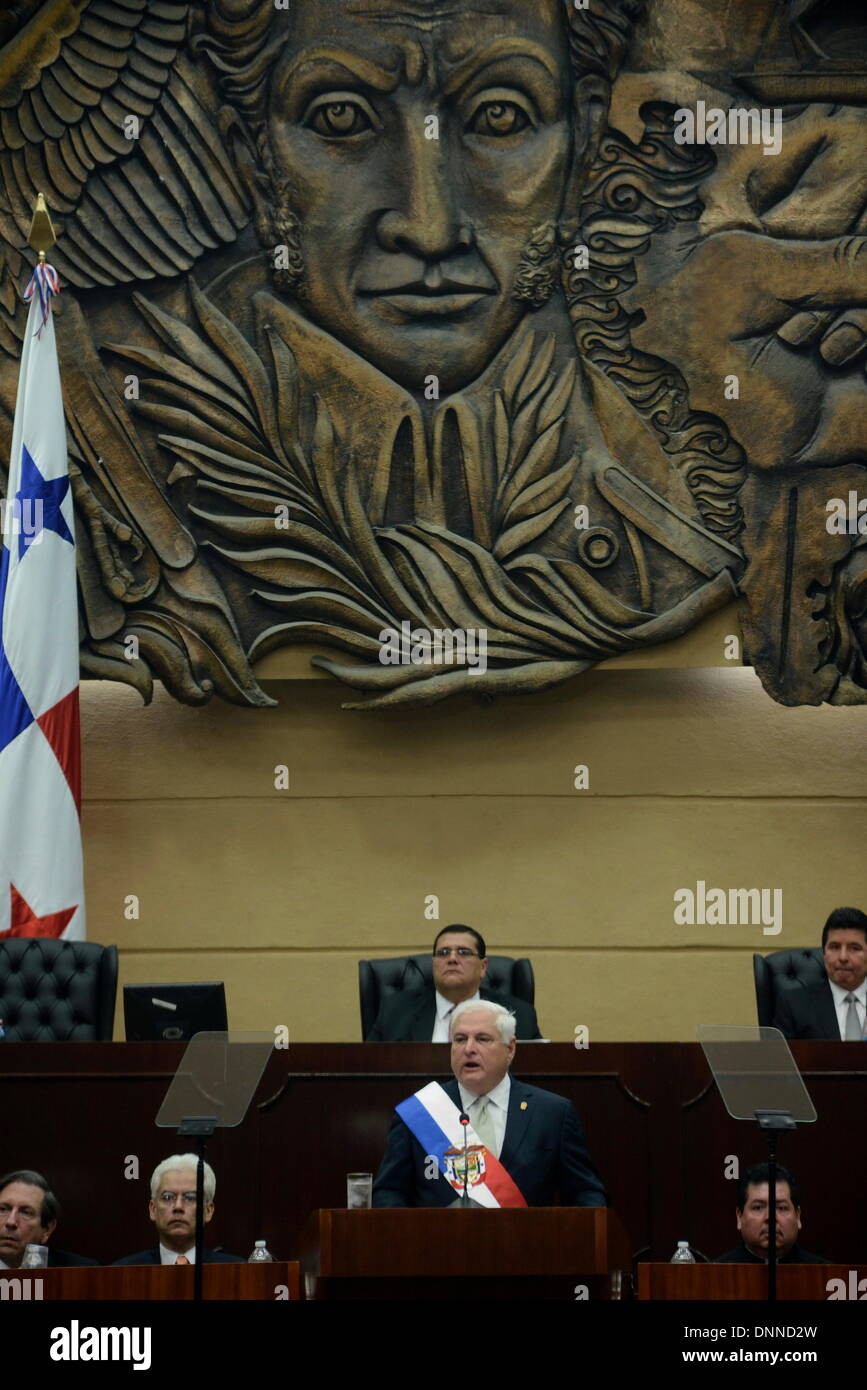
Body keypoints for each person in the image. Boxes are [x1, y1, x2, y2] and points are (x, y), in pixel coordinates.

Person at [373, 1000, 606, 1207]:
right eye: (460, 1039)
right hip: (439, 1251)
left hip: (529, 1250)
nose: (469, 1049)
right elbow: (389, 1193)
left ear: (510, 1049)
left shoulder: (552, 1112)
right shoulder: (419, 1113)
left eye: (482, 1039)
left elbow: (585, 1192)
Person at [366, 925, 542, 1041]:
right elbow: (370, 1067)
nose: (452, 959)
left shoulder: (519, 1015)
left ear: (483, 966)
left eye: (463, 952)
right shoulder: (395, 1012)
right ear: (433, 963)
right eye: (443, 953)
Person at [114, 1155, 243, 1266]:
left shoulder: (238, 1272)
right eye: (168, 1197)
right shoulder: (121, 1273)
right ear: (153, 1209)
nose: (178, 1207)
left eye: (190, 1198)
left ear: (208, 1211)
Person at [772, 907, 867, 1040]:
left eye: (855, 948)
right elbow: (779, 1059)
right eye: (834, 947)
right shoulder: (794, 1005)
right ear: (824, 952)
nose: (843, 957)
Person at [715, 1163, 829, 1264]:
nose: (770, 1217)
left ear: (798, 1216)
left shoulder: (825, 1276)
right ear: (739, 1217)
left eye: (782, 1208)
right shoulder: (714, 1275)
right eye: (758, 1207)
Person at [0, 1170, 97, 1268]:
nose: (10, 1222)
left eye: (26, 1212)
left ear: (47, 1229)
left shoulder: (82, 1273)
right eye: (2, 1209)